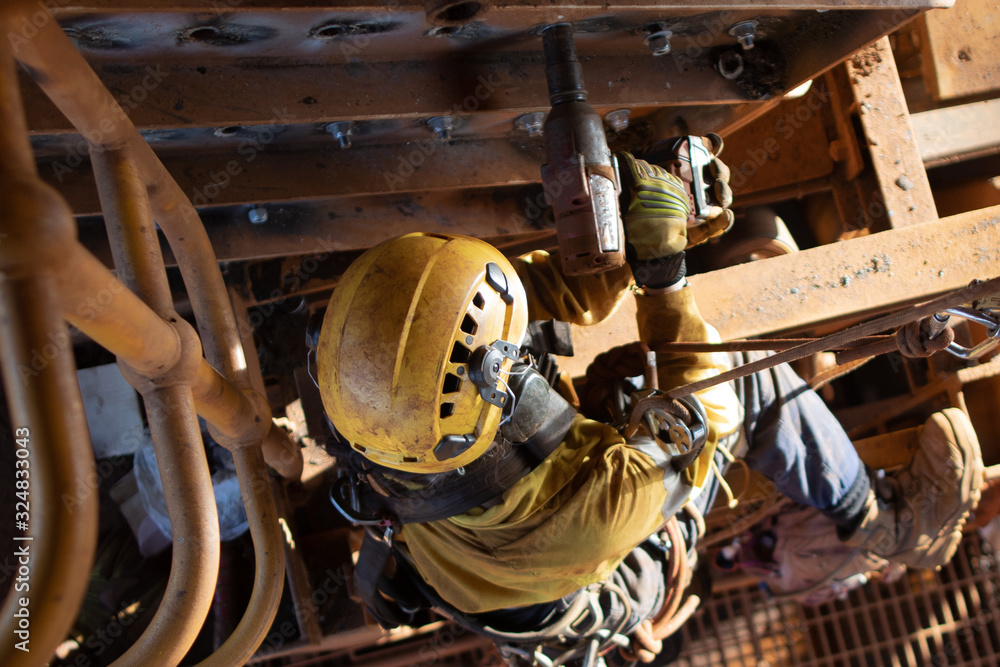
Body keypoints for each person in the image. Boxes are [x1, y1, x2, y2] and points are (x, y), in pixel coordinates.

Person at [315, 142, 984, 665]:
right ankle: (883, 523)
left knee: (624, 368)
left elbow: (562, 299)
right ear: (496, 387)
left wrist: (623, 230)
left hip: (490, 540)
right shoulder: (586, 509)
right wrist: (664, 277)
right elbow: (699, 419)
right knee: (741, 377)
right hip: (591, 578)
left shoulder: (396, 358)